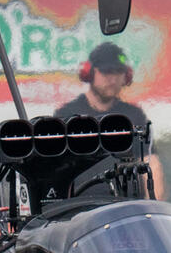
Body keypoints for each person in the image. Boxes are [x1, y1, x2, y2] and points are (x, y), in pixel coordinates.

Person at [54, 41, 164, 199]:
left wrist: (154, 204)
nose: (113, 79)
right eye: (106, 72)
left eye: (118, 72)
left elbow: (150, 162)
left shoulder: (134, 115)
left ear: (126, 76)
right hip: (79, 207)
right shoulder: (66, 115)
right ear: (89, 73)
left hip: (127, 205)